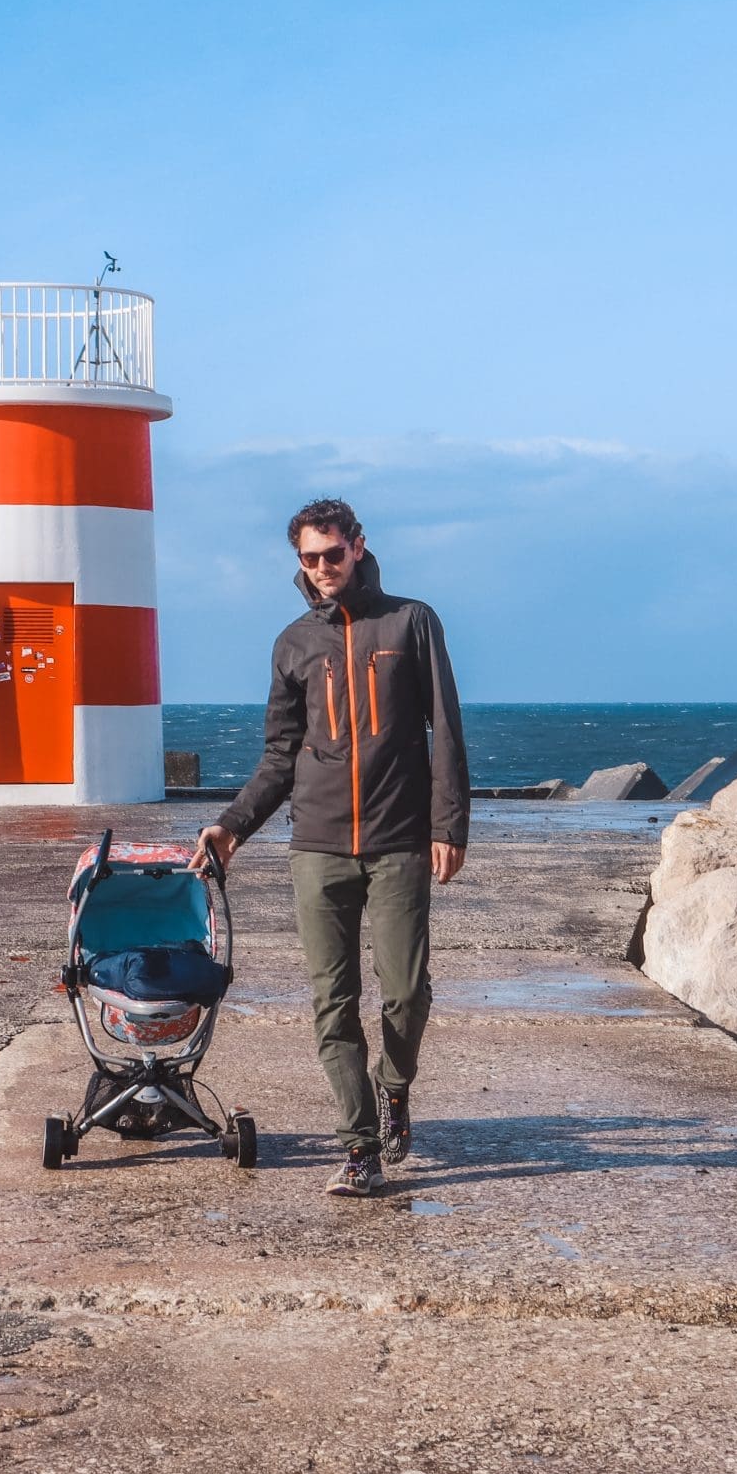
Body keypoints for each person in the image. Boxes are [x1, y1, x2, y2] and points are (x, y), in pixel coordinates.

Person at [198, 498, 469, 1196]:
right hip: (317, 846)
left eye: (333, 554)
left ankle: (394, 1085)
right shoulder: (293, 643)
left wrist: (448, 824)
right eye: (309, 558)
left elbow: (445, 726)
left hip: (399, 840)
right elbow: (280, 756)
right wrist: (233, 825)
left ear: (358, 546)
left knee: (407, 993)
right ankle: (359, 1145)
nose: (322, 569)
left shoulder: (411, 621)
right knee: (332, 1002)